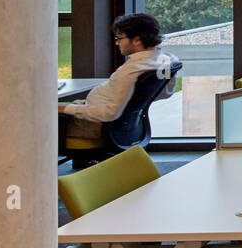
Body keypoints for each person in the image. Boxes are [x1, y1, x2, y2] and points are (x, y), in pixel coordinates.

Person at [58, 14, 174, 148]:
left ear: (137, 40)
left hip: (96, 126)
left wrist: (62, 108)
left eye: (120, 38)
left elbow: (108, 114)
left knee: (40, 113)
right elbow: (165, 93)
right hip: (129, 126)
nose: (117, 42)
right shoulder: (166, 60)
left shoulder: (131, 71)